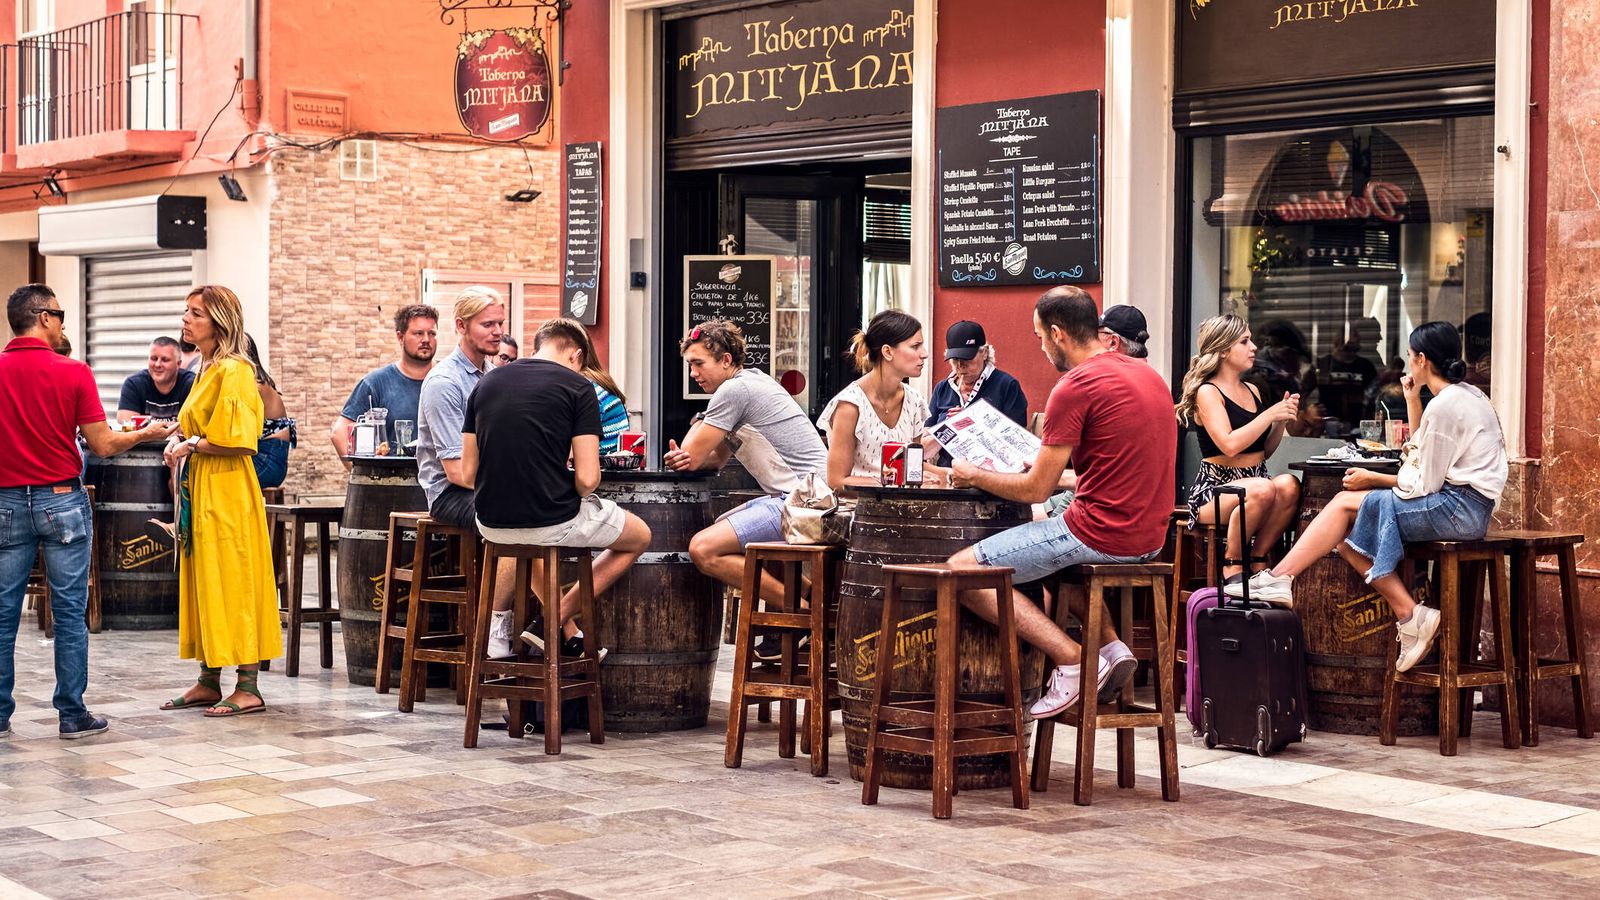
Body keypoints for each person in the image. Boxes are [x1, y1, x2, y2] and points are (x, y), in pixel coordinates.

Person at [946, 287, 1177, 717]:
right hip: (1152, 538)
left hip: (1100, 534)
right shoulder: (1149, 375)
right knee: (1055, 556)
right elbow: (1114, 466)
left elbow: (1036, 489)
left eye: (1038, 337)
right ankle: (1111, 647)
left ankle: (1071, 661)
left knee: (963, 572)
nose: (1040, 346)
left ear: (1058, 334)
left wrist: (973, 474)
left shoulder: (1073, 386)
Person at [1228, 322, 1507, 672]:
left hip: (1456, 509)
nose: (1407, 364)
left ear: (1422, 359)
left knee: (1346, 504)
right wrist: (1411, 399)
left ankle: (1280, 578)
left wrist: (1373, 479)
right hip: (1465, 507)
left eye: (1409, 356)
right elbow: (1421, 454)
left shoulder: (1447, 406)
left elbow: (1422, 483)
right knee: (1345, 538)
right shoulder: (1465, 396)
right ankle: (1408, 613)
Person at [1, 284, 175, 739]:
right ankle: (72, 714)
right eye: (58, 313)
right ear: (42, 318)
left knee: (2, 613)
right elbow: (102, 443)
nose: (62, 322)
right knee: (69, 610)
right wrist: (144, 434)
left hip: (6, 504)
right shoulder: (73, 372)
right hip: (62, 501)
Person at [460, 318, 651, 657]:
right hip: (551, 521)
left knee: (528, 539)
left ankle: (549, 629)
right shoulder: (578, 389)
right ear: (576, 356)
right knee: (640, 536)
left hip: (490, 523)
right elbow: (588, 479)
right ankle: (554, 618)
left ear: (538, 347)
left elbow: (468, 471)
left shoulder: (485, 384)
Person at [665, 321, 829, 654]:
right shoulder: (752, 383)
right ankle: (814, 599)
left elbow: (690, 457)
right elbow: (715, 461)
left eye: (699, 363)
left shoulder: (734, 390)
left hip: (805, 502)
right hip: (810, 498)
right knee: (725, 533)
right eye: (690, 365)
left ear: (726, 360)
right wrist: (697, 442)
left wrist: (692, 436)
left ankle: (803, 614)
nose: (693, 373)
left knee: (704, 549)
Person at [157, 286, 280, 718]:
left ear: (220, 323)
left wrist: (191, 443)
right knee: (205, 579)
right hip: (204, 487)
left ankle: (248, 686)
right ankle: (209, 680)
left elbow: (241, 442)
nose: (185, 319)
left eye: (196, 314)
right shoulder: (204, 367)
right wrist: (178, 437)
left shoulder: (235, 370)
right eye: (185, 311)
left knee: (234, 579)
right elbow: (200, 426)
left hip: (228, 491)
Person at [416, 287, 522, 658]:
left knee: (549, 509)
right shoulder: (444, 383)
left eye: (500, 323)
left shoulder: (495, 376)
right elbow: (458, 472)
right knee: (516, 519)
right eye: (487, 324)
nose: (497, 331)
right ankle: (498, 626)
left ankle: (548, 623)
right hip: (450, 493)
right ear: (461, 326)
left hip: (491, 485)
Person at [1174, 315, 1303, 589]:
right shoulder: (1208, 392)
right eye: (1244, 341)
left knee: (1290, 485)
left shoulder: (1253, 389)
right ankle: (1232, 563)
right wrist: (1269, 415)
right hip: (1215, 488)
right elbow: (1229, 445)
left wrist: (1279, 422)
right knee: (1262, 488)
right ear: (1223, 349)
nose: (1254, 347)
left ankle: (1258, 559)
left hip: (1256, 479)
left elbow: (1263, 452)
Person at [817, 309, 933, 489]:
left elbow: (913, 467)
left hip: (906, 509)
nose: (924, 353)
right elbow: (837, 481)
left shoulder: (915, 401)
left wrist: (950, 475)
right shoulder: (850, 406)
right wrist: (892, 484)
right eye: (915, 346)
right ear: (888, 352)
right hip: (859, 512)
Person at [330, 304, 438, 465]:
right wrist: (362, 476)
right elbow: (339, 433)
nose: (426, 340)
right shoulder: (376, 383)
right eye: (418, 333)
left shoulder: (447, 379)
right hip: (392, 484)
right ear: (400, 337)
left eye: (432, 333)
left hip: (441, 485)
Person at [924, 320, 1027, 466]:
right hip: (947, 476)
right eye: (955, 359)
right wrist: (950, 427)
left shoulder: (1006, 386)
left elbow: (1017, 447)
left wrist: (971, 423)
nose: (960, 366)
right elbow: (925, 450)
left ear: (984, 353)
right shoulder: (942, 388)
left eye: (967, 358)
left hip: (991, 479)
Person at [564, 325, 628, 454]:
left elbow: (572, 453)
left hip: (597, 467)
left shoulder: (583, 390)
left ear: (574, 356)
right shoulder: (595, 383)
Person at [245, 335, 295, 491]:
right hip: (266, 456)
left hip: (267, 460)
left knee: (214, 478)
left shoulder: (254, 385)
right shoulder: (257, 381)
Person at [116, 337, 195, 422]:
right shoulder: (134, 384)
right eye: (154, 358)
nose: (157, 364)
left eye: (165, 360)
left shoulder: (192, 384)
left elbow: (195, 424)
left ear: (178, 364)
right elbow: (126, 421)